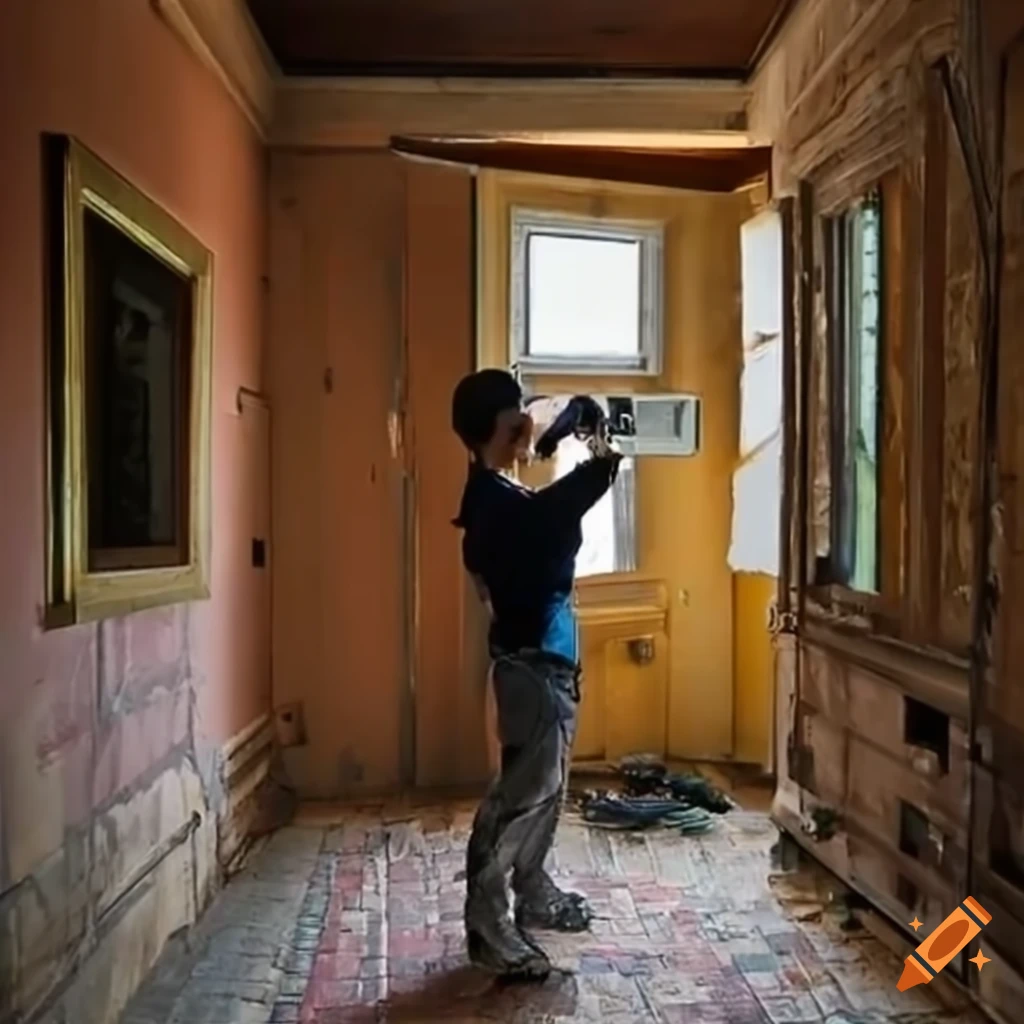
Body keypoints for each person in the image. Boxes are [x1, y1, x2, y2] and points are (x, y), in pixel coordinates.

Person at [450, 369, 621, 978]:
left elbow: (560, 505)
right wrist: (595, 443)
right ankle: (488, 924)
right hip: (531, 674)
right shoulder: (492, 502)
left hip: (548, 669)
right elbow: (573, 499)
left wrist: (577, 436)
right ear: (504, 423)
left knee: (546, 794)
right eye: (520, 414)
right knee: (518, 799)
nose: (530, 421)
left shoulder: (500, 491)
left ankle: (533, 889)